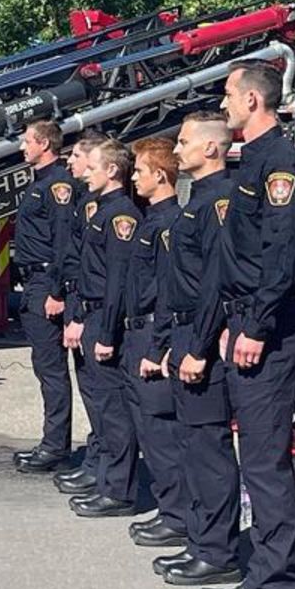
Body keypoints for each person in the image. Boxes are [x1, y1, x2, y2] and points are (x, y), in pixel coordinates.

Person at [185, 60, 295, 589]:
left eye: (230, 96)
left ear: (253, 102)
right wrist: (226, 324)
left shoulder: (279, 164)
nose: (224, 106)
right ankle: (262, 575)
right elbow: (237, 259)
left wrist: (255, 325)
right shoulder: (252, 163)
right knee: (255, 461)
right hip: (245, 320)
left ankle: (274, 586)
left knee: (264, 464)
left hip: (268, 327)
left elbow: (282, 256)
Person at [154, 111, 242, 587]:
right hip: (187, 332)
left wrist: (201, 347)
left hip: (202, 336)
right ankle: (199, 537)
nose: (178, 149)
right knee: (192, 444)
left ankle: (217, 550)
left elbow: (215, 284)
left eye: (185, 141)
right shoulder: (198, 200)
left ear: (211, 148)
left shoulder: (220, 202)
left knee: (208, 448)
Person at [67, 137, 142, 518]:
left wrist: (108, 333)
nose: (86, 174)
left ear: (112, 171)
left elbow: (118, 281)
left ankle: (119, 491)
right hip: (92, 312)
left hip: (105, 318)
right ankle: (106, 480)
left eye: (93, 167)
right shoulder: (102, 212)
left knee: (113, 410)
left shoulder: (121, 216)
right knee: (100, 404)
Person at [118, 137, 184, 546]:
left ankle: (177, 514)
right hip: (137, 330)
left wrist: (158, 348)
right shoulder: (150, 220)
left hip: (152, 333)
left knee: (162, 432)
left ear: (160, 175)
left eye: (140, 171)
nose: (135, 178)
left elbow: (165, 292)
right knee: (148, 429)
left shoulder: (167, 226)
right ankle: (169, 506)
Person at [11, 120, 75, 473]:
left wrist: (55, 290)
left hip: (46, 281)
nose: (22, 147)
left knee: (52, 371)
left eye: (27, 141)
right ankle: (51, 442)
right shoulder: (40, 182)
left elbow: (64, 241)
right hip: (33, 281)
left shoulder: (58, 185)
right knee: (43, 367)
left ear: (45, 144)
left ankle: (55, 448)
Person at [50, 130, 108, 494]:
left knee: (103, 397)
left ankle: (104, 466)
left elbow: (92, 267)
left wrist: (77, 314)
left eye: (76, 156)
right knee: (92, 392)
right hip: (79, 299)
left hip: (92, 307)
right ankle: (97, 460)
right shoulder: (86, 200)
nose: (69, 162)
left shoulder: (101, 205)